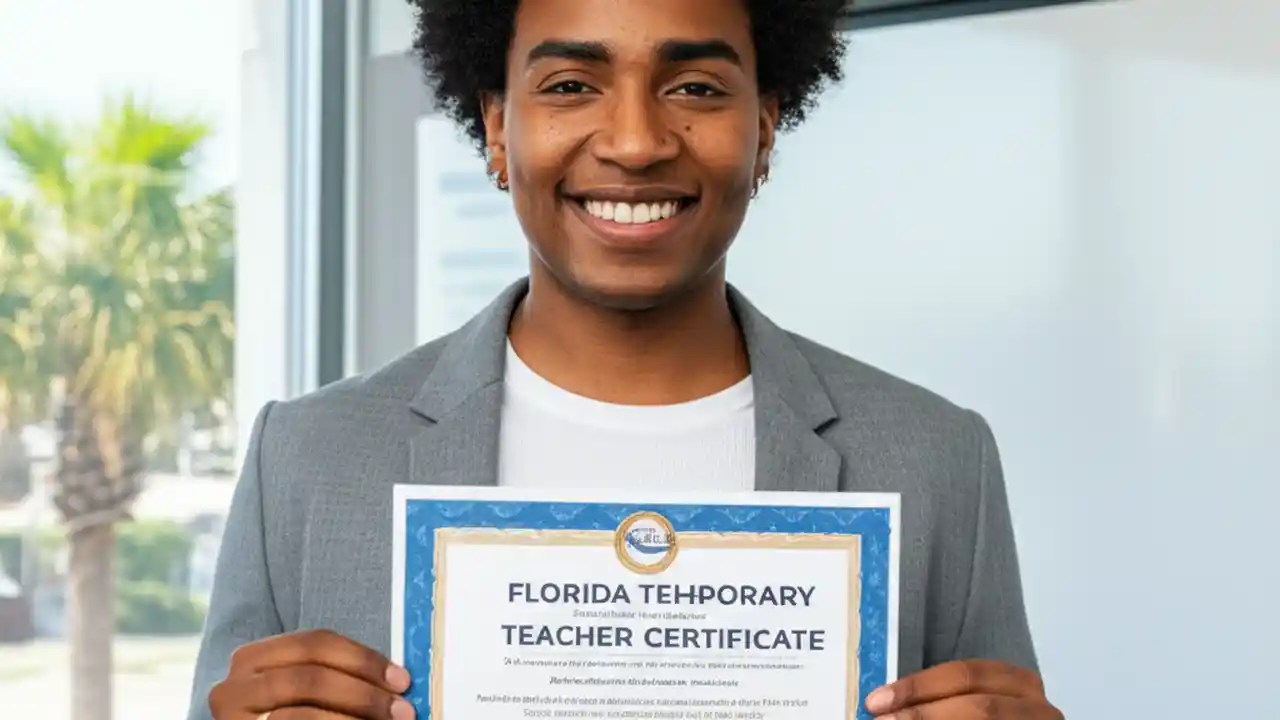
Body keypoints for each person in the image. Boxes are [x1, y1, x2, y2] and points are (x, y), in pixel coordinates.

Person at [191, 0, 1064, 718]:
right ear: (498, 126)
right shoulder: (306, 460)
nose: (637, 141)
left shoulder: (938, 460)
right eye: (571, 84)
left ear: (766, 127)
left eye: (694, 86)